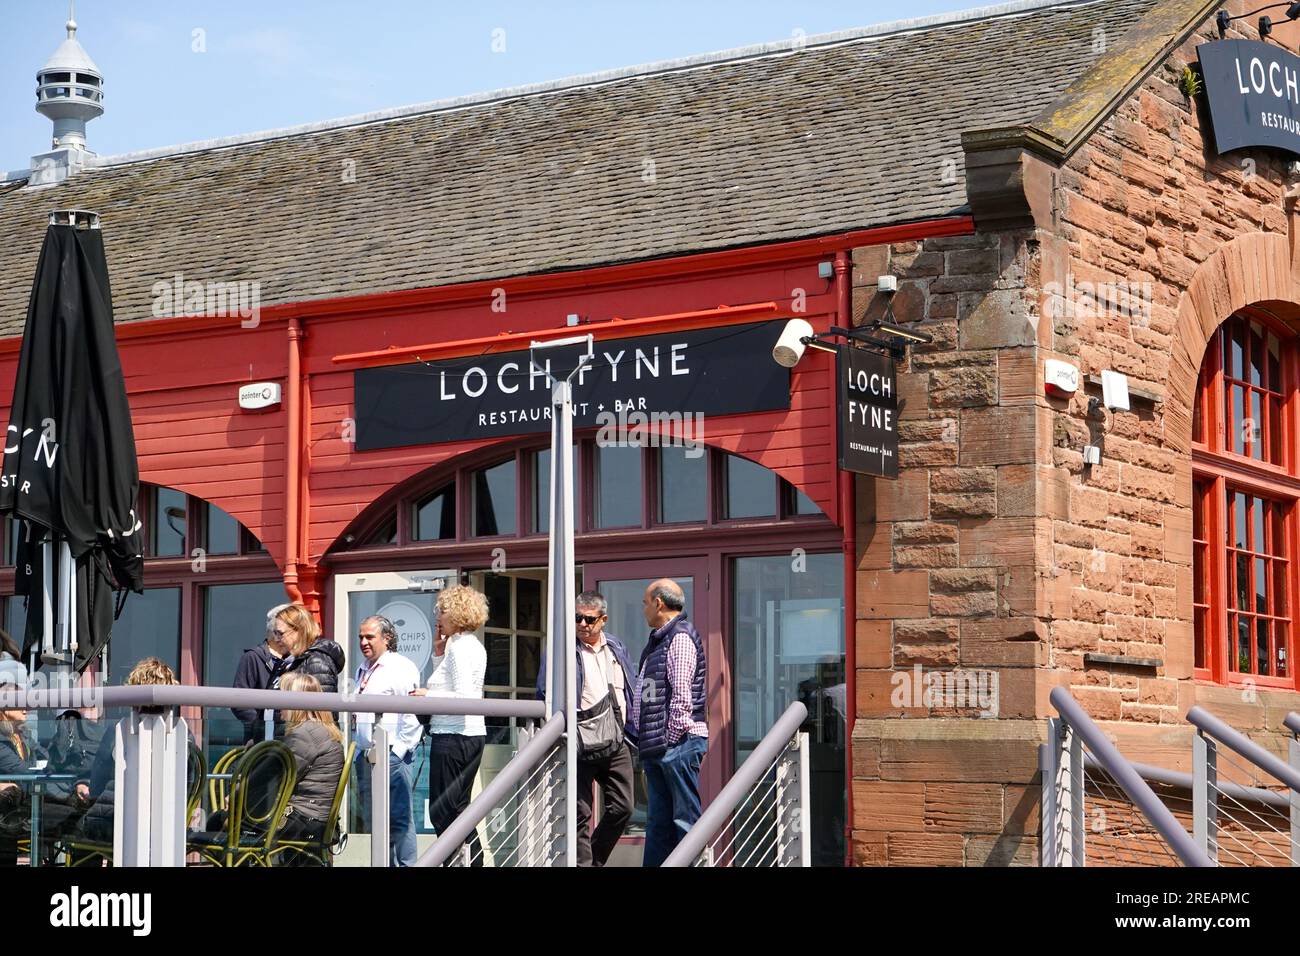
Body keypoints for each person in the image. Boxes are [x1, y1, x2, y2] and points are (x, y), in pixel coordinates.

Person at [534, 590, 635, 867]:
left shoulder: (615, 647)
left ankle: (595, 860)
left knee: (623, 807)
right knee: (579, 813)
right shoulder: (562, 650)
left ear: (603, 619)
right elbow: (544, 692)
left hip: (615, 739)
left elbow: (629, 686)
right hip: (578, 740)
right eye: (577, 618)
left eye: (588, 619)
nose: (581, 624)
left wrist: (633, 727)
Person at [631, 578, 708, 867]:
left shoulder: (680, 637)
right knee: (659, 823)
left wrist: (671, 739)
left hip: (676, 744)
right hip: (658, 745)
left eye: (645, 602)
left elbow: (682, 697)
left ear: (658, 603)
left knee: (683, 820)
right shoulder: (658, 641)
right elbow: (645, 693)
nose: (643, 609)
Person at [411, 584, 488, 866]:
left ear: (457, 613)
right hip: (465, 735)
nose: (438, 616)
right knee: (456, 810)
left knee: (443, 812)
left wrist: (426, 695)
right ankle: (464, 861)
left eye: (442, 610)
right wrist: (438, 653)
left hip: (454, 735)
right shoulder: (464, 645)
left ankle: (466, 862)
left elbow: (465, 696)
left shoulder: (463, 647)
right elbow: (450, 683)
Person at [77, 657, 180, 843]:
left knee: (81, 829)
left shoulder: (119, 731)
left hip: (119, 823)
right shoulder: (182, 738)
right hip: (169, 825)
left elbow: (97, 783)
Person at [352, 615, 422, 867]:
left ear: (387, 638)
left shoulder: (400, 666)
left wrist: (401, 751)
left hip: (392, 753)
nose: (363, 642)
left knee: (400, 818)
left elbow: (413, 712)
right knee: (375, 819)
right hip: (366, 754)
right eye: (361, 636)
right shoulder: (364, 667)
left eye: (369, 636)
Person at [276, 672, 344, 866]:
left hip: (301, 820)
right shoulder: (322, 730)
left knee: (224, 824)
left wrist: (237, 793)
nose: (278, 705)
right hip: (315, 819)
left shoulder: (304, 735)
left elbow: (279, 779)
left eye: (282, 696)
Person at [231, 603, 291, 742]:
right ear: (274, 633)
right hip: (259, 741)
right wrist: (260, 726)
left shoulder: (295, 659)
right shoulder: (252, 657)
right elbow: (238, 701)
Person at [0, 658, 34, 866]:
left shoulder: (23, 737)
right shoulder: (1, 740)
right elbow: (25, 771)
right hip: (9, 815)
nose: (26, 707)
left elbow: (44, 764)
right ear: (4, 708)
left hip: (20, 810)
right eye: (19, 702)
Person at [275, 605, 344, 694]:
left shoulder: (317, 661)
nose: (276, 639)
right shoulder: (289, 659)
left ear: (299, 631)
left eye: (280, 633)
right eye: (275, 633)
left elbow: (321, 705)